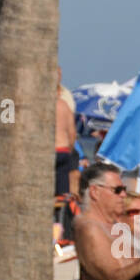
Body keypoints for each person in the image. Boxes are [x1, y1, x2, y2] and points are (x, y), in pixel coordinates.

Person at [55, 68, 78, 197]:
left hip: (52, 150)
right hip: (64, 149)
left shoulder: (42, 106)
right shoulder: (64, 105)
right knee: (63, 193)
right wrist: (70, 148)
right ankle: (63, 215)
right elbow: (72, 131)